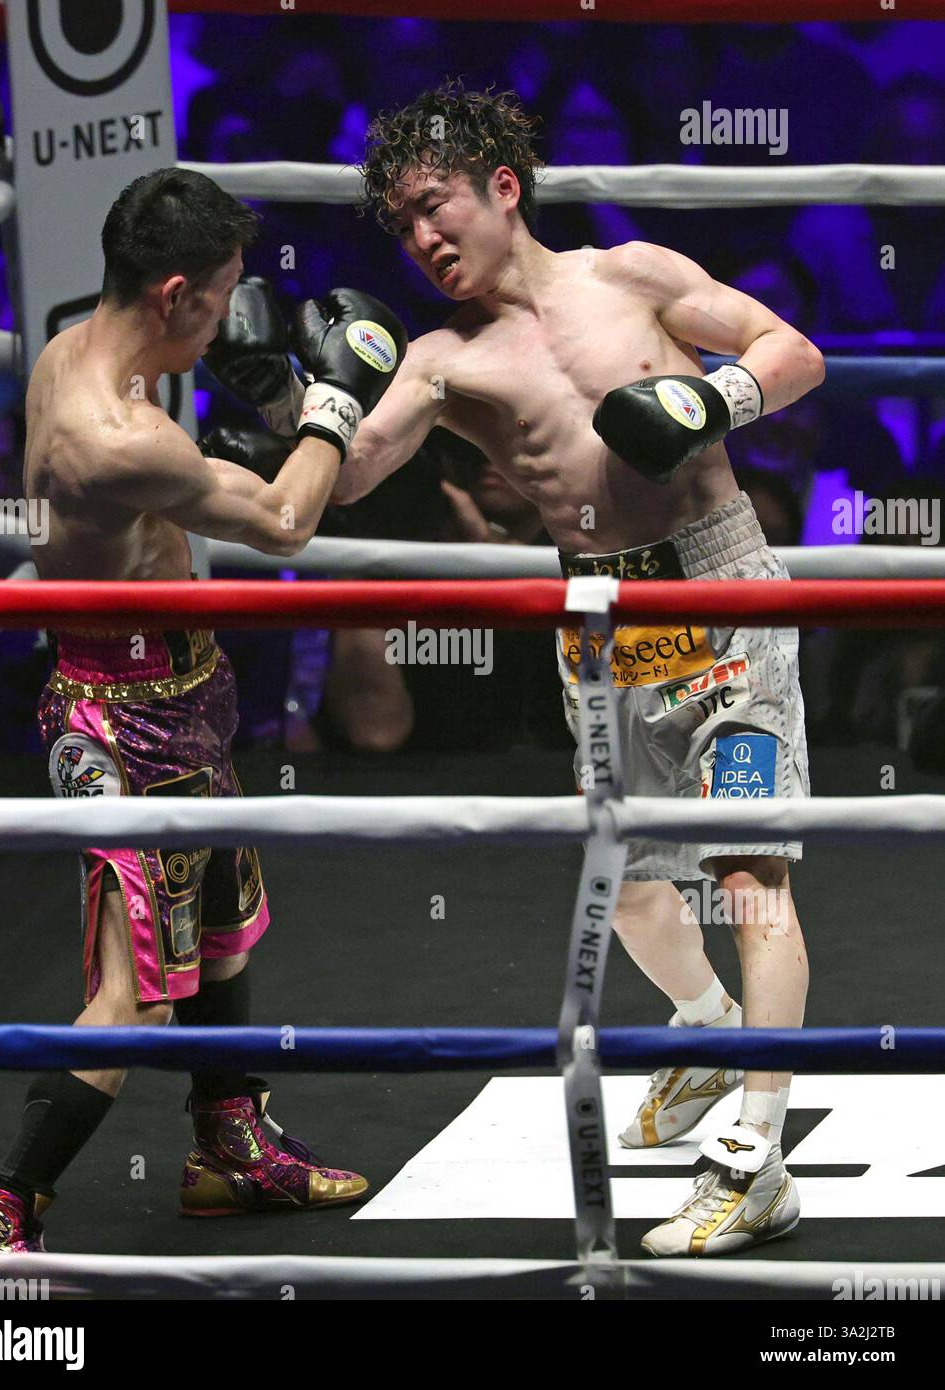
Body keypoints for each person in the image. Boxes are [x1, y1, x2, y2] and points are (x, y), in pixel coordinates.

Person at [332, 81, 824, 1257]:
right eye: (402, 224)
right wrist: (293, 399)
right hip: (599, 622)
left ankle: (757, 1156)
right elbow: (343, 480)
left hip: (717, 589)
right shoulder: (440, 358)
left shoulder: (632, 276)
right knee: (638, 883)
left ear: (504, 186)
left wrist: (710, 394)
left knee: (749, 870)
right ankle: (706, 1028)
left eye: (435, 205)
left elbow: (791, 351)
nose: (423, 239)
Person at [0, 167, 406, 1253]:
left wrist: (256, 396)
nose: (222, 317)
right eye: (219, 298)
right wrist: (332, 402)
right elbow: (290, 523)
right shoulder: (111, 433)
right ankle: (3, 1206)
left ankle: (229, 1146)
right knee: (133, 994)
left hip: (189, 690)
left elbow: (202, 488)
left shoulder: (86, 346)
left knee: (223, 931)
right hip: (114, 717)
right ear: (171, 292)